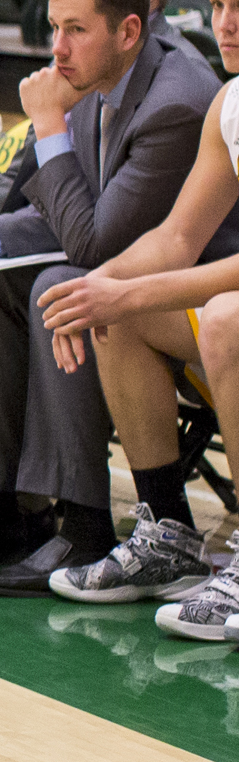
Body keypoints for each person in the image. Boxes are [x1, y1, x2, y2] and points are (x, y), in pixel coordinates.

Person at [0, 0, 232, 588]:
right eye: (52, 28)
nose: (56, 49)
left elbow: (94, 241)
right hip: (167, 285)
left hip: (202, 297)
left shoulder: (178, 98)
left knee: (62, 288)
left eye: (75, 30)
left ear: (128, 31)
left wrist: (48, 124)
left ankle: (86, 524)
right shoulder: (98, 80)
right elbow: (68, 214)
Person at [34, 0, 239, 635]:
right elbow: (177, 238)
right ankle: (167, 536)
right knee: (119, 307)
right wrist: (97, 289)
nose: (226, 24)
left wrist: (126, 292)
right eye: (219, 5)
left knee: (225, 318)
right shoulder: (229, 103)